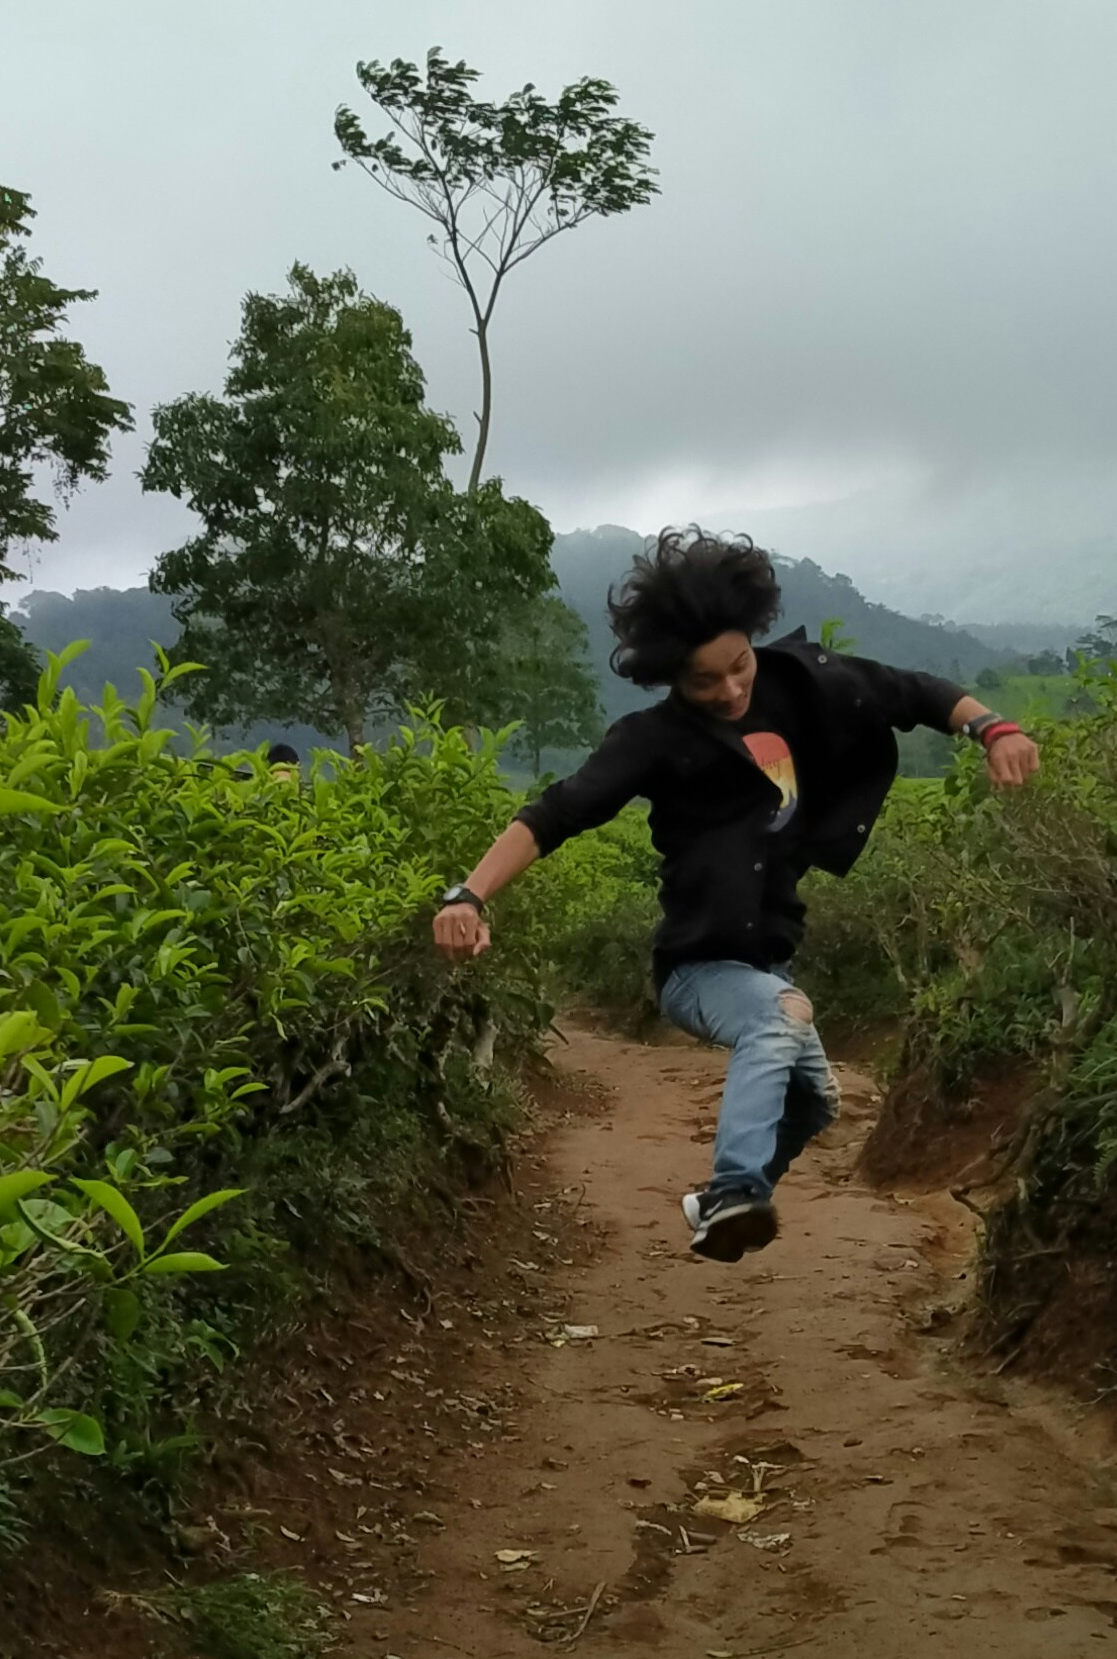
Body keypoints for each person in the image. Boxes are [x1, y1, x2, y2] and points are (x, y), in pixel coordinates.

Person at [430, 528, 1039, 1259]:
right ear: (670, 678)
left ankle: (710, 1207)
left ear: (753, 639)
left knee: (815, 1101)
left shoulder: (802, 683)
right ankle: (733, 1190)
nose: (730, 690)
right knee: (781, 1017)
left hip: (768, 961)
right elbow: (553, 813)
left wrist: (991, 727)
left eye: (738, 666)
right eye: (704, 682)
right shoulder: (651, 741)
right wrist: (468, 895)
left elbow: (912, 692)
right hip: (697, 966)